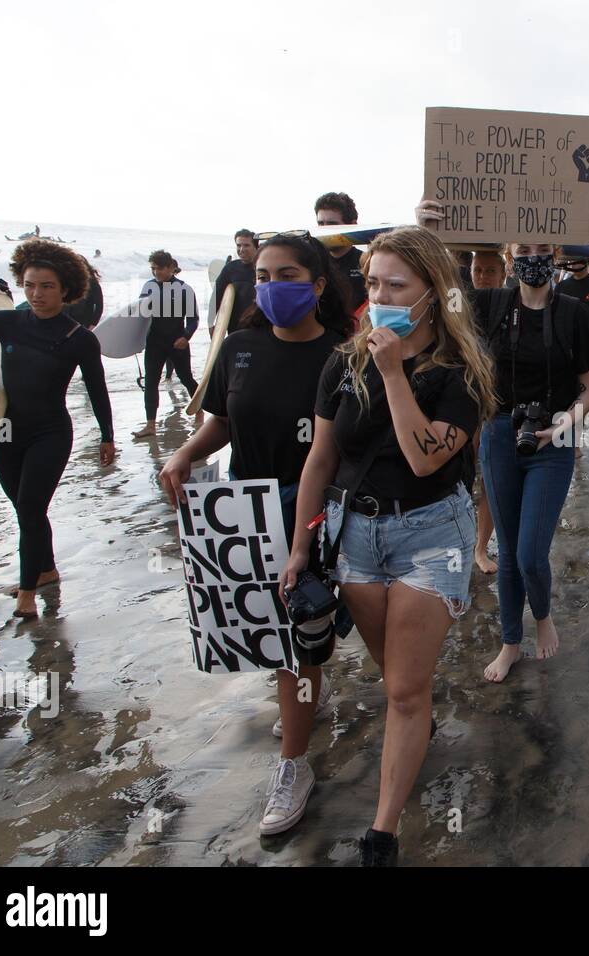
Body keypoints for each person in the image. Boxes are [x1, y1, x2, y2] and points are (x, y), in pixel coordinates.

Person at [280, 227, 496, 866]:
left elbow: (426, 458)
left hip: (433, 535)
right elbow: (320, 459)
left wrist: (394, 370)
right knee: (394, 670)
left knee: (402, 690)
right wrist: (299, 548)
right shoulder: (341, 363)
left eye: (396, 285)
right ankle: (416, 716)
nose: (379, 296)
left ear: (435, 294)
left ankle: (383, 831)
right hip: (356, 536)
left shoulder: (461, 375)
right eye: (372, 283)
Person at [159, 234, 354, 836]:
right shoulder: (239, 347)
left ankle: (294, 765)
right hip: (246, 506)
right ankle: (304, 706)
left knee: (298, 638)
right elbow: (222, 420)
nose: (271, 286)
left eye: (287, 274)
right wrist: (186, 453)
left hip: (316, 509)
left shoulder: (345, 355)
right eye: (263, 275)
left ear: (318, 284)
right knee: (280, 640)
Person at [461, 239, 589, 683]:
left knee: (530, 554)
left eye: (542, 248)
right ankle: (509, 643)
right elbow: (434, 296)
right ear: (510, 256)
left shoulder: (574, 313)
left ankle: (542, 615)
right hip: (501, 434)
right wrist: (434, 230)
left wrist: (560, 429)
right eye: (524, 248)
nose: (533, 256)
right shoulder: (489, 303)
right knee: (506, 550)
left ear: (554, 254)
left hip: (552, 439)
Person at [0, 240, 115, 619]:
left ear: (65, 290)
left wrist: (107, 435)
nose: (36, 294)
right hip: (8, 432)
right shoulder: (7, 321)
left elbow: (97, 389)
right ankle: (45, 570)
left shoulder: (80, 339)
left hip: (50, 433)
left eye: (46, 286)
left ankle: (27, 594)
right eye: (29, 285)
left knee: (29, 507)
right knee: (27, 509)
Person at [467, 248, 508, 575]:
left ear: (503, 274)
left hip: (495, 405)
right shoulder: (459, 305)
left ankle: (480, 548)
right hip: (462, 404)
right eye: (477, 270)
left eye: (489, 271)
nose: (482, 276)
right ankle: (463, 544)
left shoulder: (510, 304)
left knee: (489, 485)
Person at [132, 250, 199, 440]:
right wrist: (134, 341)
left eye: (159, 268)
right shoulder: (148, 287)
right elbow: (140, 316)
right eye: (152, 268)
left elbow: (193, 319)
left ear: (171, 267)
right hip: (154, 342)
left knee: (186, 378)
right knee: (151, 382)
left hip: (177, 342)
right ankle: (150, 425)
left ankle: (200, 411)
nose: (155, 273)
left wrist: (186, 337)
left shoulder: (184, 289)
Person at [314, 191, 368, 312]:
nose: (324, 230)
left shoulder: (366, 262)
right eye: (320, 224)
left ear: (352, 225)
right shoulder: (313, 263)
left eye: (332, 224)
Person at [214, 229, 259, 335]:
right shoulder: (231, 268)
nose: (241, 249)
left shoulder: (264, 269)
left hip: (259, 327)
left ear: (257, 247)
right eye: (238, 245)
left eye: (246, 245)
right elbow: (217, 296)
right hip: (235, 328)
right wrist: (212, 324)